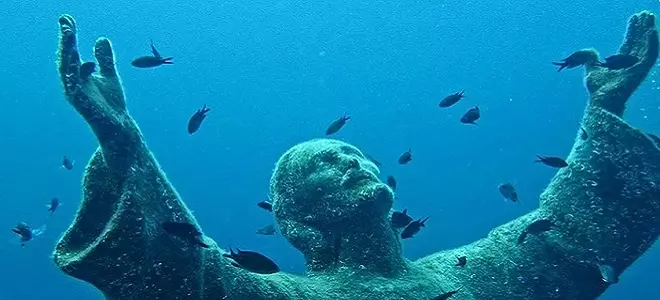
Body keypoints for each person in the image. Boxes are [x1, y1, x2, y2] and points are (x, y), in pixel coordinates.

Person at [54, 11, 660, 300]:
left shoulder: (482, 270)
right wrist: (126, 149)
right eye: (324, 163)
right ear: (294, 218)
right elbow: (183, 272)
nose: (353, 162)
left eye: (356, 154)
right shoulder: (282, 298)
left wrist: (604, 113)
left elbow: (576, 232)